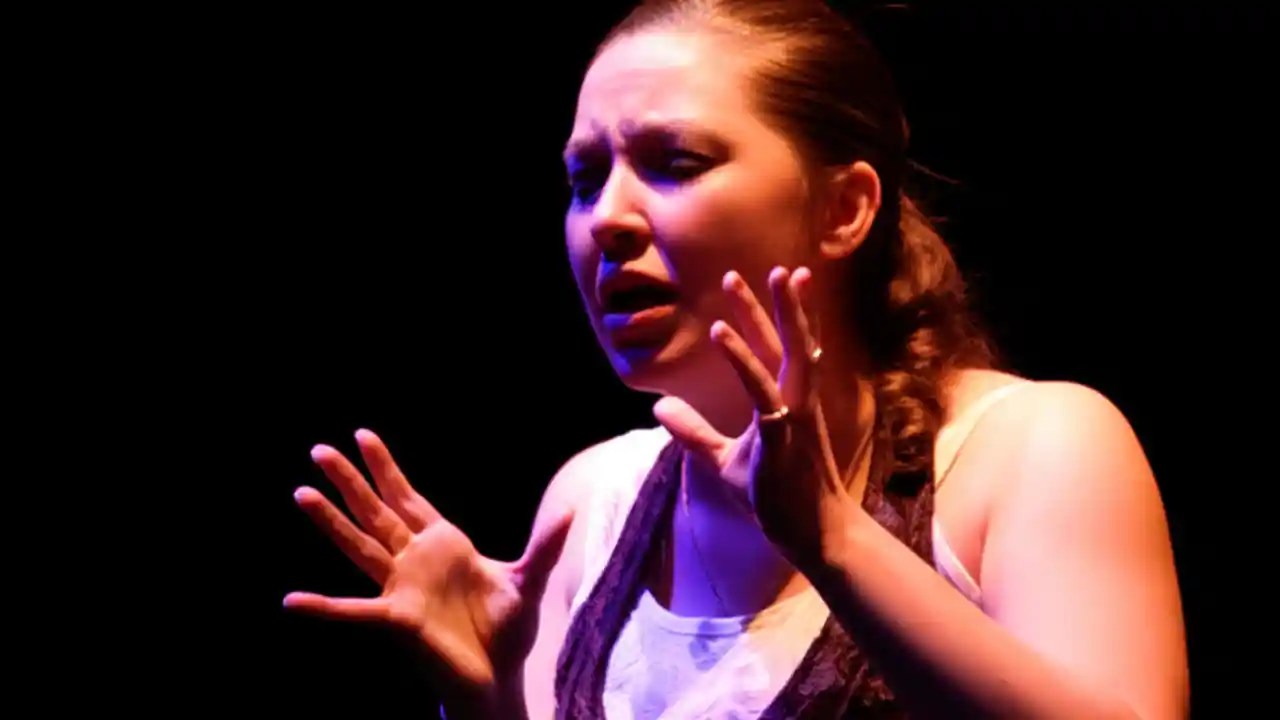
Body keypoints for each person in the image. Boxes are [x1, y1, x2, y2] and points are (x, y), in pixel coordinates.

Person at [283, 1, 1189, 718]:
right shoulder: (591, 504)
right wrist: (481, 701)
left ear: (844, 209)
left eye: (675, 161)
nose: (607, 218)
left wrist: (834, 543)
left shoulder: (1028, 450)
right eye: (585, 178)